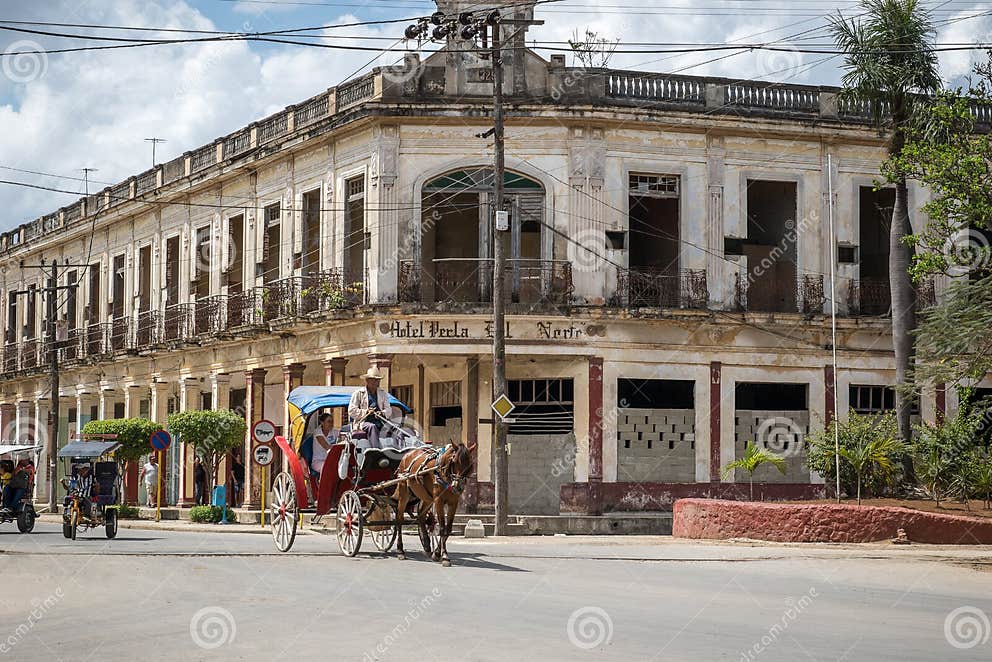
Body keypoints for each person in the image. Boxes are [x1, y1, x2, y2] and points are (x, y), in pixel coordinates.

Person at [348, 367, 394, 449]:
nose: (376, 382)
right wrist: (366, 412)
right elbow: (351, 411)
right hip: (364, 422)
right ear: (367, 380)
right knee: (372, 427)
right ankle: (375, 450)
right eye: (373, 379)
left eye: (377, 380)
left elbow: (389, 409)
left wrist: (382, 413)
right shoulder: (358, 393)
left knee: (396, 428)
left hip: (381, 421)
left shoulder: (383, 394)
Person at [310, 413, 335, 481]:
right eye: (328, 421)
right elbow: (326, 446)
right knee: (326, 467)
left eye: (332, 422)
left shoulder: (333, 432)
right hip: (318, 461)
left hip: (330, 461)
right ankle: (323, 488)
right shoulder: (317, 432)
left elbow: (342, 435)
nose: (331, 424)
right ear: (322, 422)